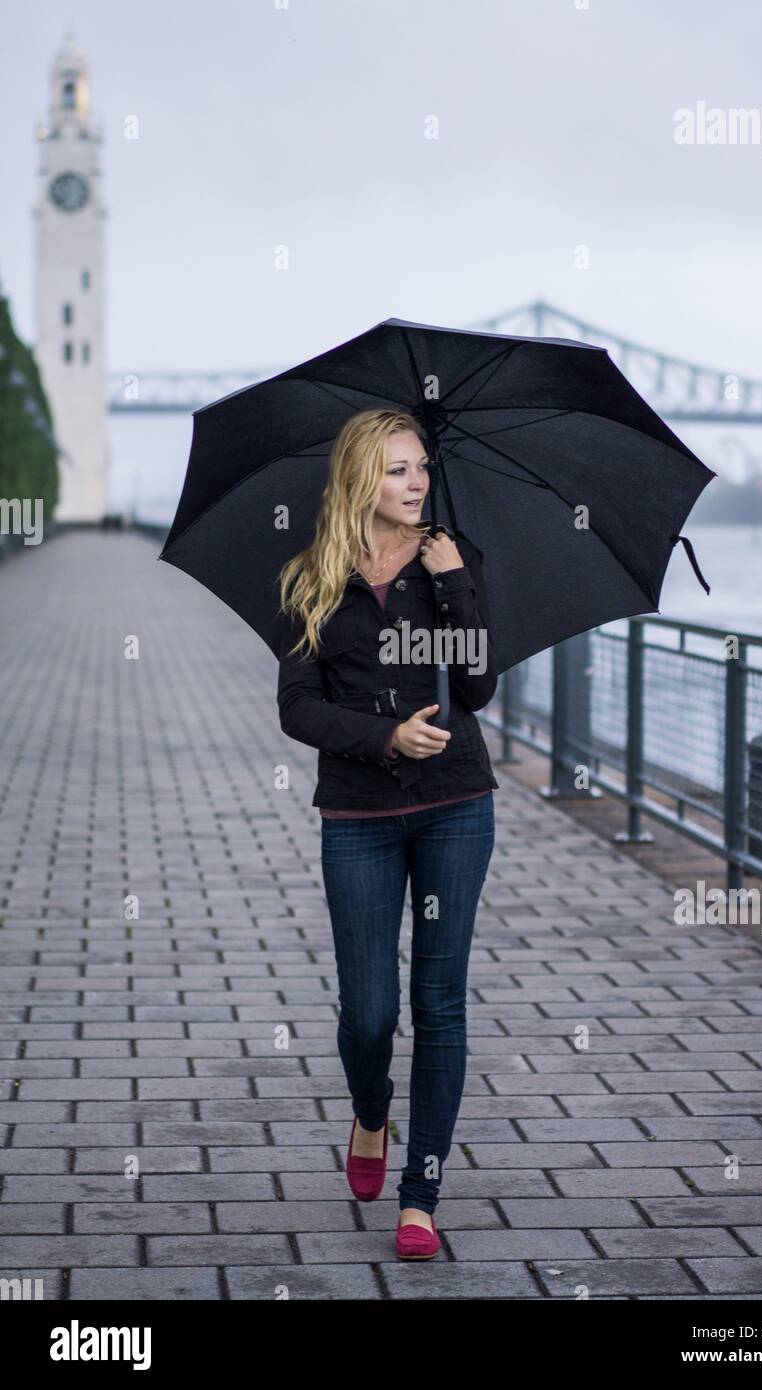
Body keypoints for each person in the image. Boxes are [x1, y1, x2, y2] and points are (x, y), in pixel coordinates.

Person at [276, 407, 498, 1260]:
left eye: (421, 469)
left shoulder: (454, 559)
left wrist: (454, 584)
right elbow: (298, 706)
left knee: (438, 1003)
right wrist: (384, 737)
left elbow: (477, 690)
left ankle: (421, 1198)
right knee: (369, 1012)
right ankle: (371, 1112)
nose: (417, 484)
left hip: (454, 806)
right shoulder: (309, 578)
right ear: (360, 479)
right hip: (359, 816)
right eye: (399, 470)